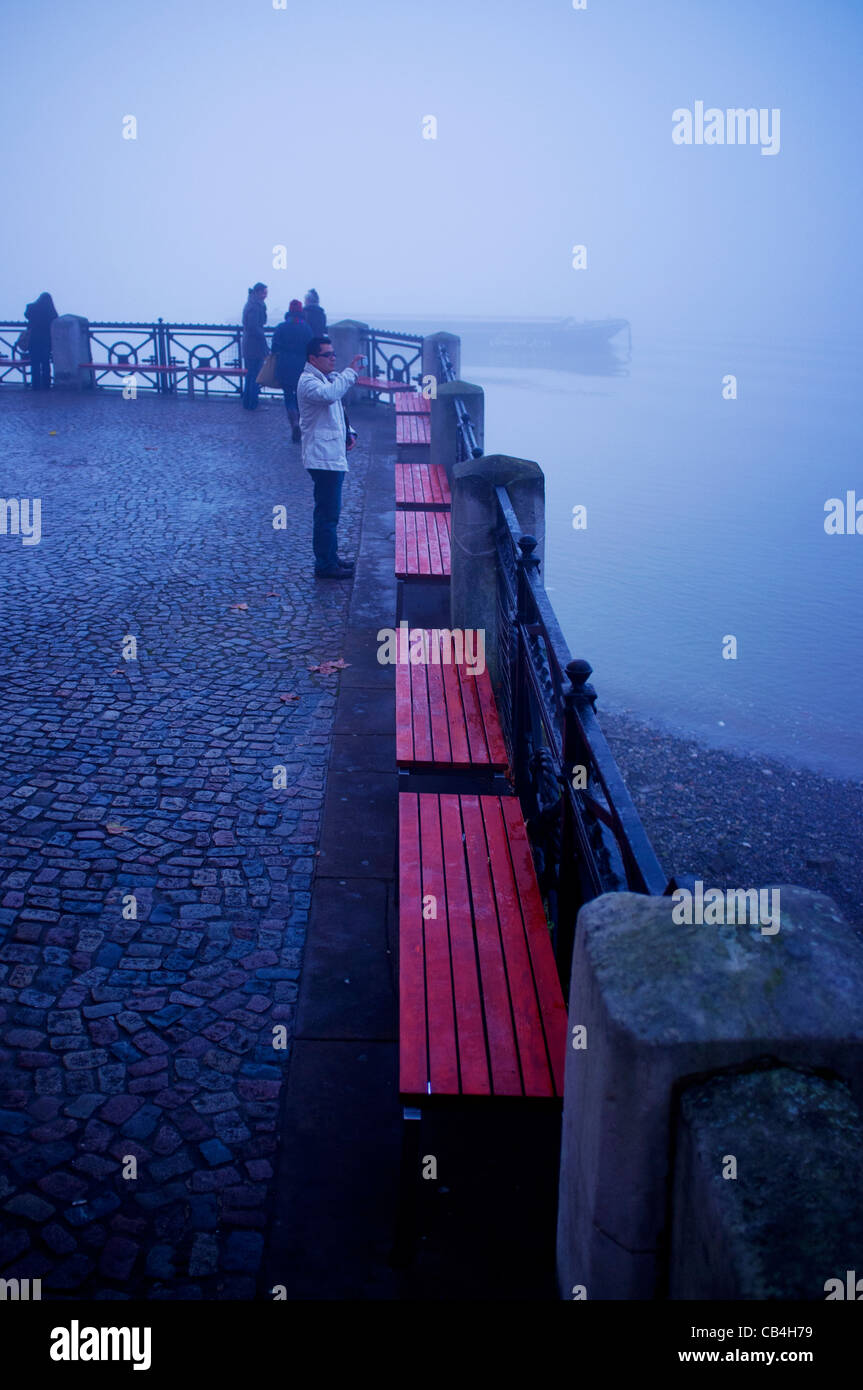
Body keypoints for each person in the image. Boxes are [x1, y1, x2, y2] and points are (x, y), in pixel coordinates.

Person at [297, 335, 364, 579]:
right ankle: (325, 565)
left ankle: (330, 557)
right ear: (313, 359)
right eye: (328, 355)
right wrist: (350, 372)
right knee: (327, 513)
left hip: (331, 456)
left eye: (334, 354)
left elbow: (338, 411)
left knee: (330, 512)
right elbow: (330, 396)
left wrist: (350, 432)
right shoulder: (308, 382)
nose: (333, 358)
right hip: (322, 458)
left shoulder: (324, 378)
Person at [271, 300, 313, 442]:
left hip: (284, 365)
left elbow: (274, 348)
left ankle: (294, 422)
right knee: (300, 396)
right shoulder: (306, 328)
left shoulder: (281, 327)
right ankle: (300, 422)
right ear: (301, 312)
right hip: (301, 366)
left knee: (288, 396)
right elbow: (311, 348)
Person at [241, 282, 268, 409]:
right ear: (257, 292)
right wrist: (263, 337)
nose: (265, 295)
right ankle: (253, 403)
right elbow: (253, 327)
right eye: (264, 292)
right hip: (254, 346)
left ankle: (248, 402)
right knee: (255, 375)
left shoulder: (252, 304)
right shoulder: (255, 306)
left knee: (251, 374)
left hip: (250, 346)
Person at [25, 292, 58, 390]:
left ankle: (35, 384)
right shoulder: (50, 310)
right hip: (46, 340)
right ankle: (46, 384)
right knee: (45, 363)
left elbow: (26, 315)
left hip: (34, 339)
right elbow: (56, 319)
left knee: (34, 363)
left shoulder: (31, 308)